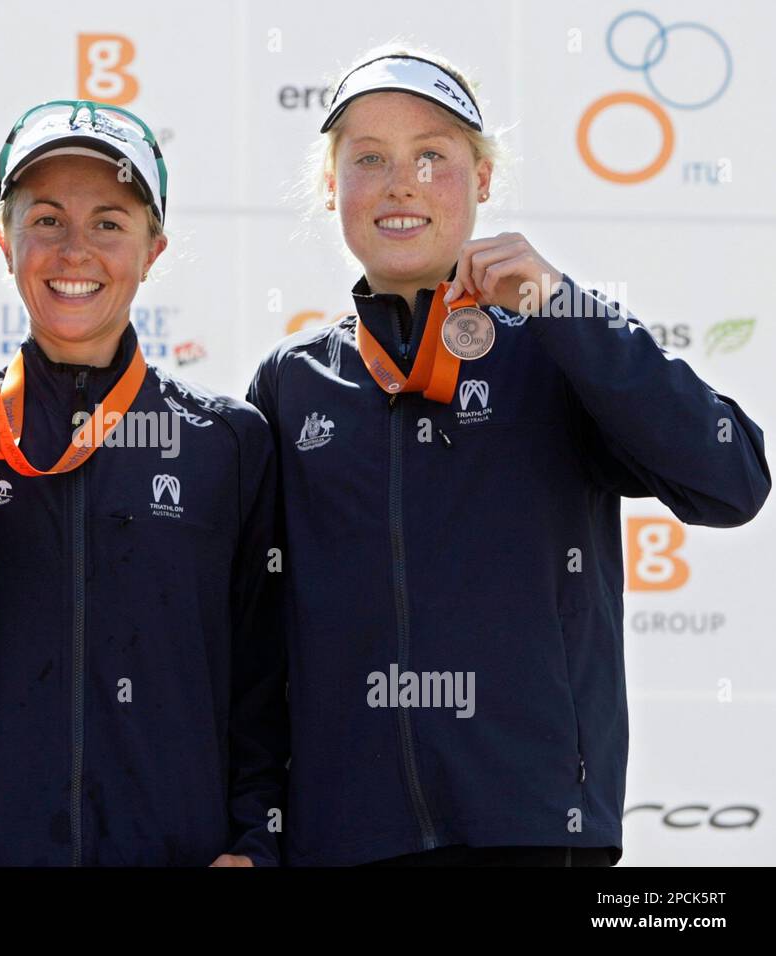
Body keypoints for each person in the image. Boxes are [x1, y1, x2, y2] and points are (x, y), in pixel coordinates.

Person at [247, 48, 771, 866]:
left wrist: (568, 311)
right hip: (343, 842)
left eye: (433, 156)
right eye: (369, 159)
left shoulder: (559, 345)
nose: (402, 183)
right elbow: (253, 637)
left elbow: (732, 479)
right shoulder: (291, 384)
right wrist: (258, 827)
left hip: (533, 832)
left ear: (484, 181)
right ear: (330, 186)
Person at [0, 100, 287, 866]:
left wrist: (259, 839)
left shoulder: (227, 442)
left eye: (110, 223)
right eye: (48, 220)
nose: (75, 250)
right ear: (5, 241)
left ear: (153, 249)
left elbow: (267, 677)